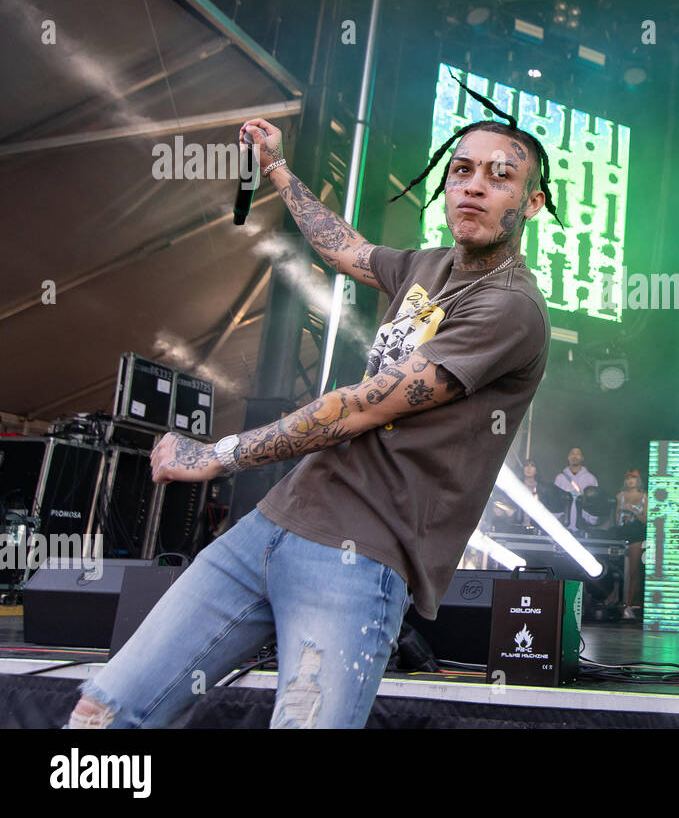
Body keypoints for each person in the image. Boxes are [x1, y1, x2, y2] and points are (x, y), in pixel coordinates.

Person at [68, 78, 559, 729]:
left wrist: (219, 454)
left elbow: (360, 407)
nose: (471, 186)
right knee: (104, 712)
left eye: (498, 177)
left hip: (360, 558)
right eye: (461, 170)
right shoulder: (428, 265)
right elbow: (340, 247)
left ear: (532, 201)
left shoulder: (509, 308)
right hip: (271, 526)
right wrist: (275, 167)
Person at [614, 471, 648, 620]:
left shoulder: (644, 496)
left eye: (633, 477)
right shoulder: (620, 496)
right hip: (621, 533)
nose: (630, 480)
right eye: (627, 478)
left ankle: (629, 604)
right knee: (619, 570)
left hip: (637, 534)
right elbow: (614, 516)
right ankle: (616, 601)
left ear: (638, 480)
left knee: (633, 571)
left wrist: (632, 510)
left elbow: (647, 519)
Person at [554, 447, 598, 529]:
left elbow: (594, 502)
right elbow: (555, 501)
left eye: (578, 454)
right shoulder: (560, 478)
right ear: (568, 457)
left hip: (583, 525)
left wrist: (591, 521)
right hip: (563, 526)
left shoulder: (591, 479)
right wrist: (557, 519)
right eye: (572, 454)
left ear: (582, 458)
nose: (575, 456)